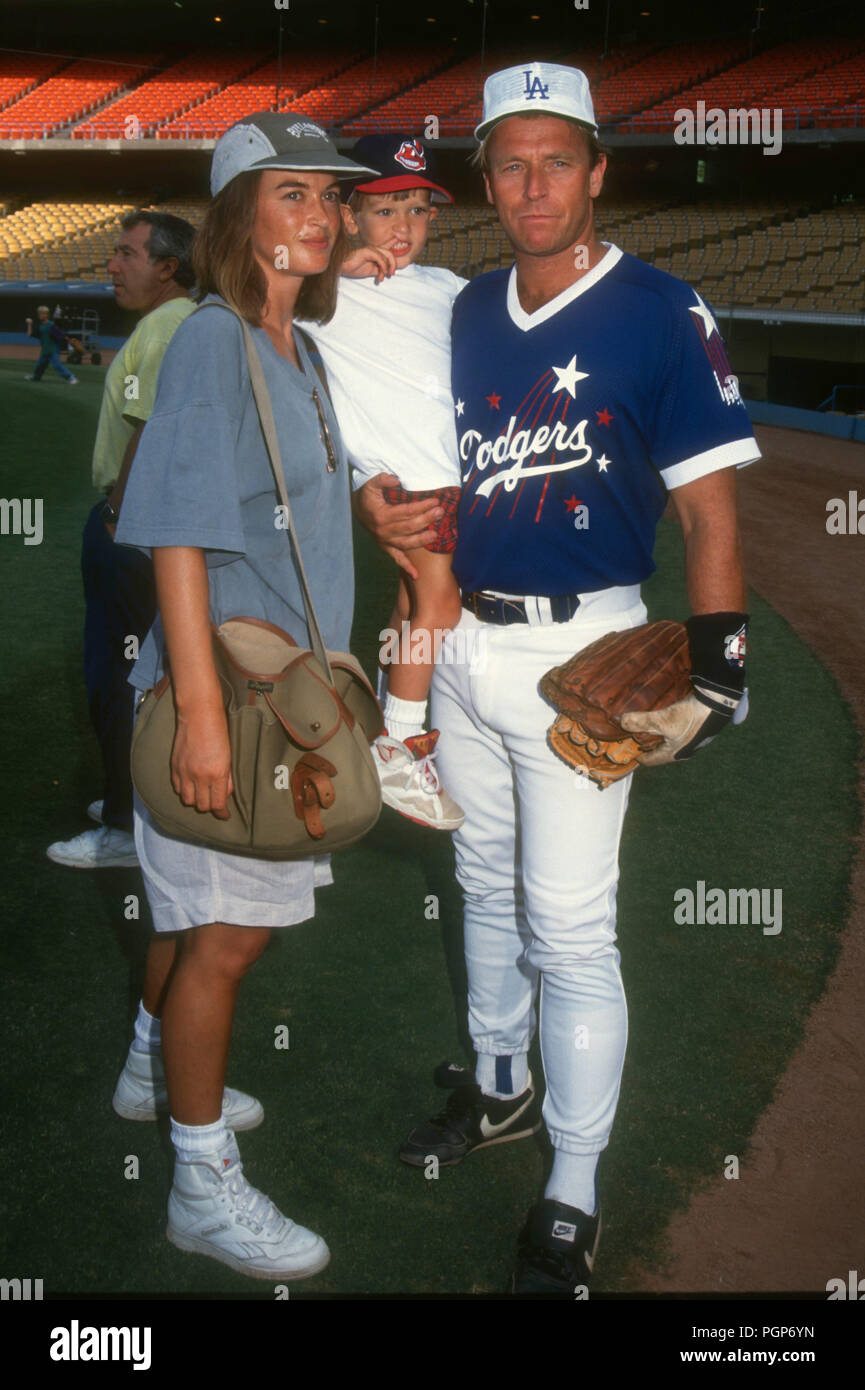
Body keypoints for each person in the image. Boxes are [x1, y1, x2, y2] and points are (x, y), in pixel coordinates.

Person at [355, 62, 758, 1294]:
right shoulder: (463, 305)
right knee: (480, 878)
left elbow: (709, 511)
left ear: (597, 170)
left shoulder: (659, 308)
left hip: (582, 648)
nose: (533, 185)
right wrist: (381, 503)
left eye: (556, 160)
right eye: (509, 163)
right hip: (460, 640)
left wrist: (721, 667)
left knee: (571, 929)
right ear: (486, 176)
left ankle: (573, 1184)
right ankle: (497, 1085)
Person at [112, 112, 378, 1281]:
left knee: (205, 924)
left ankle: (146, 1059)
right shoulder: (217, 341)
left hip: (282, 691)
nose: (318, 216)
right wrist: (205, 719)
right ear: (236, 220)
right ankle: (199, 1183)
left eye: (327, 196)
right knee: (225, 938)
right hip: (227, 696)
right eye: (289, 196)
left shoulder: (296, 346)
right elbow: (172, 534)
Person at [299, 133, 466, 831]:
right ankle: (399, 744)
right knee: (440, 607)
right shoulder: (321, 290)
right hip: (406, 480)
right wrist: (331, 264)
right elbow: (238, 279)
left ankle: (384, 730)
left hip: (450, 475)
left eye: (418, 211)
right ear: (347, 215)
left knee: (408, 607)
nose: (403, 228)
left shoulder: (447, 287)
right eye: (384, 210)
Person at [46, 212, 197, 869]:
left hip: (132, 527)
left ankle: (125, 826)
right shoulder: (171, 322)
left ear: (167, 267)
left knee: (118, 678)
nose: (112, 265)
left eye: (126, 254)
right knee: (133, 673)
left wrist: (116, 513)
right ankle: (131, 802)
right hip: (141, 525)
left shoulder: (168, 326)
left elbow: (149, 430)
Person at [24, 305, 78, 384]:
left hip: (53, 350)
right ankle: (36, 377)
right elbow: (29, 334)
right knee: (39, 366)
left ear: (46, 315)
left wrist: (70, 341)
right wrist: (29, 324)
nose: (40, 315)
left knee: (57, 365)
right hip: (45, 350)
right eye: (39, 314)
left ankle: (71, 377)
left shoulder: (51, 325)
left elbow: (61, 334)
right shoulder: (40, 327)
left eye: (42, 313)